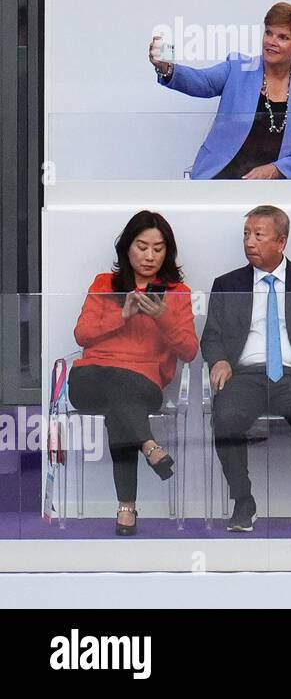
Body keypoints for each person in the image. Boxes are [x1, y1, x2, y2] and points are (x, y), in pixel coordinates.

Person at [201, 205, 291, 533]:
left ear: (281, 242)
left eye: (258, 235)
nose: (249, 242)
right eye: (246, 235)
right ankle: (242, 501)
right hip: (245, 374)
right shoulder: (227, 284)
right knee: (225, 417)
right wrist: (219, 359)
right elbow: (212, 337)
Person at [67, 211, 198, 536]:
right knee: (115, 384)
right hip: (91, 380)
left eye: (158, 248)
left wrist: (164, 318)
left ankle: (127, 506)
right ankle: (149, 446)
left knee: (120, 406)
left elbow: (189, 352)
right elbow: (82, 335)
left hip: (142, 384)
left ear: (168, 252)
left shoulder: (177, 293)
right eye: (142, 246)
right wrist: (122, 316)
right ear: (127, 248)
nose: (150, 256)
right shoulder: (104, 284)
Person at [149, 2, 291, 180]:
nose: (271, 42)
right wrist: (167, 68)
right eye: (268, 33)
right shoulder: (237, 68)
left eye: (283, 37)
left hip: (278, 190)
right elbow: (202, 82)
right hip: (223, 179)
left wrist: (276, 169)